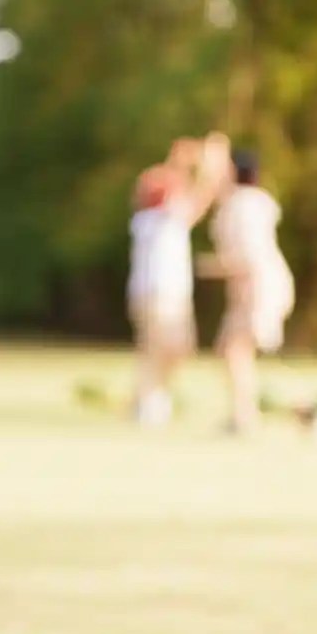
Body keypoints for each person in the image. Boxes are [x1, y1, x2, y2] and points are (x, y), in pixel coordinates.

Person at [127, 134, 231, 427]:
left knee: (174, 349)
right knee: (160, 348)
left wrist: (183, 161)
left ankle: (148, 397)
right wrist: (213, 163)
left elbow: (184, 190)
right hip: (158, 294)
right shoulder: (159, 218)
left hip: (166, 294)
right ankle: (148, 402)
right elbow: (201, 194)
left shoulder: (158, 217)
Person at [199, 149, 294, 433]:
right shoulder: (246, 203)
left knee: (236, 352)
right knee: (232, 352)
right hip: (256, 288)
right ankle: (246, 413)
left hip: (259, 289)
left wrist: (210, 267)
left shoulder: (242, 206)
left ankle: (250, 415)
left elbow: (248, 258)